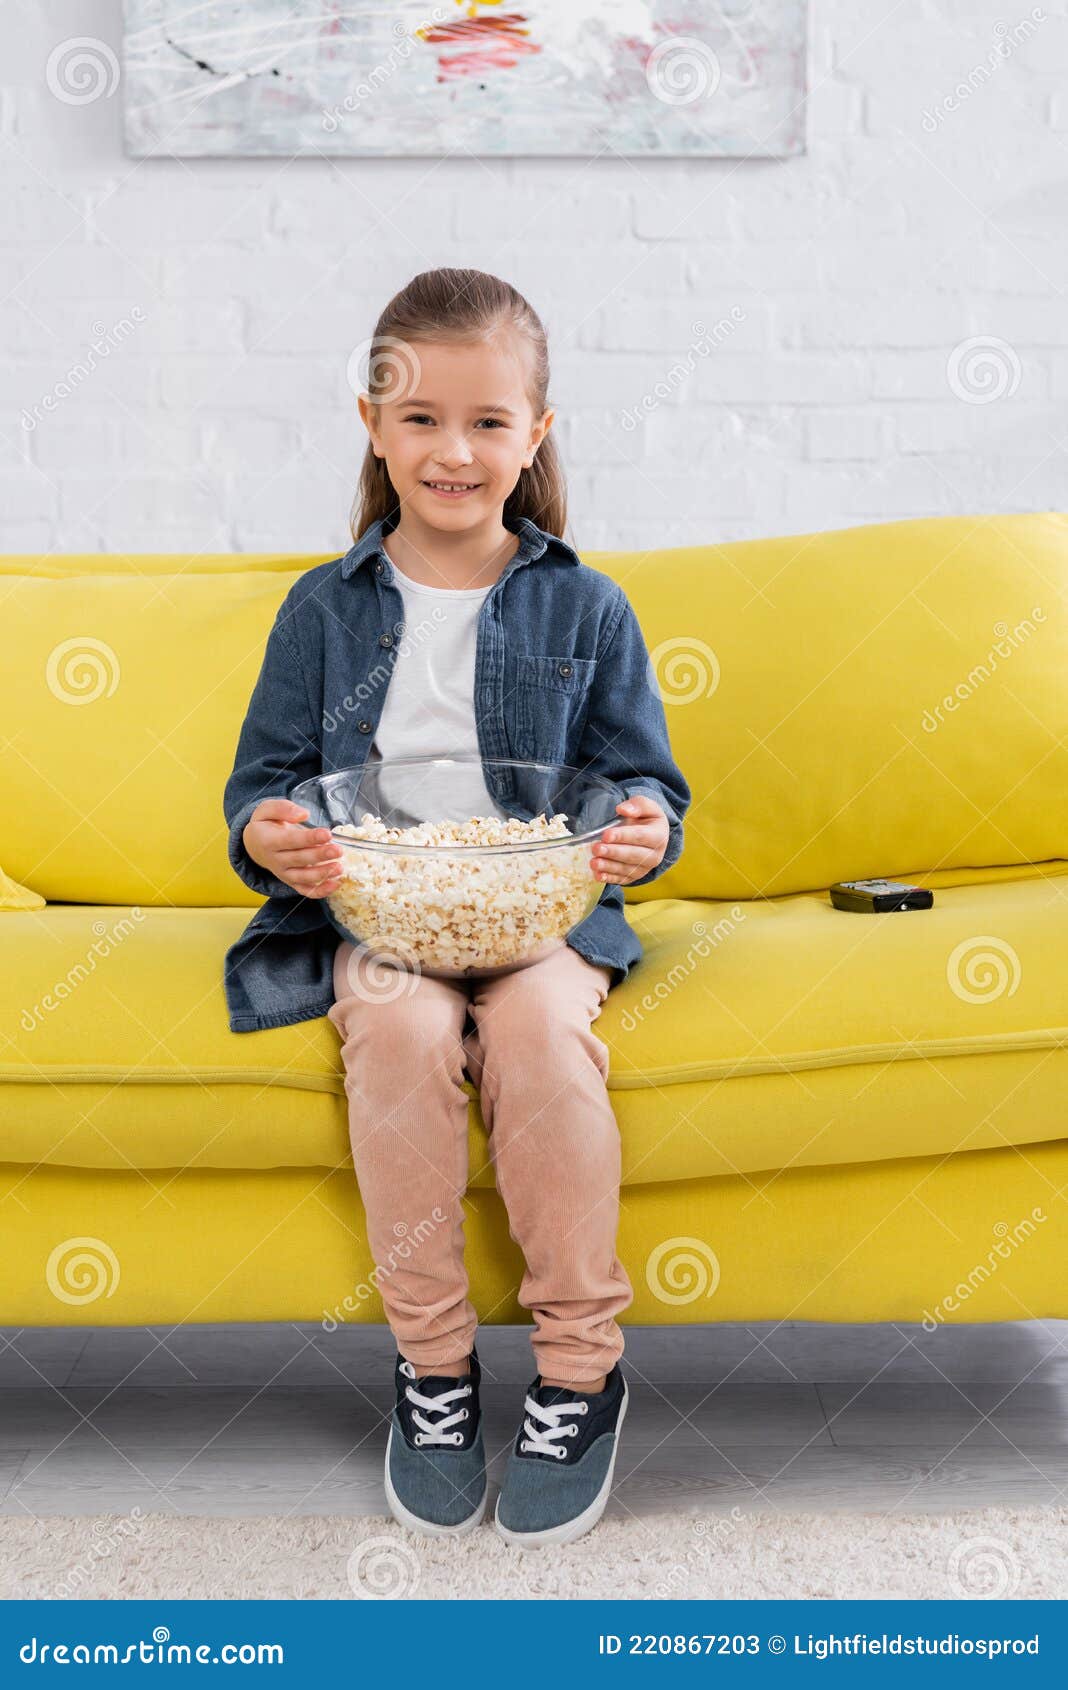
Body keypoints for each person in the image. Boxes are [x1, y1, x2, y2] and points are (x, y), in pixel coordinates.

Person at [222, 267, 691, 1551]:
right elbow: (266, 789)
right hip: (383, 919)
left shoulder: (584, 605)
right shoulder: (322, 610)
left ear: (536, 435)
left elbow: (638, 777)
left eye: (489, 421)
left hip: (540, 914)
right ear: (373, 426)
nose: (454, 449)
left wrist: (643, 826)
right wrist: (276, 836)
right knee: (400, 1031)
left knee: (540, 1036)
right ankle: (432, 1373)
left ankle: (581, 1373)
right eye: (420, 417)